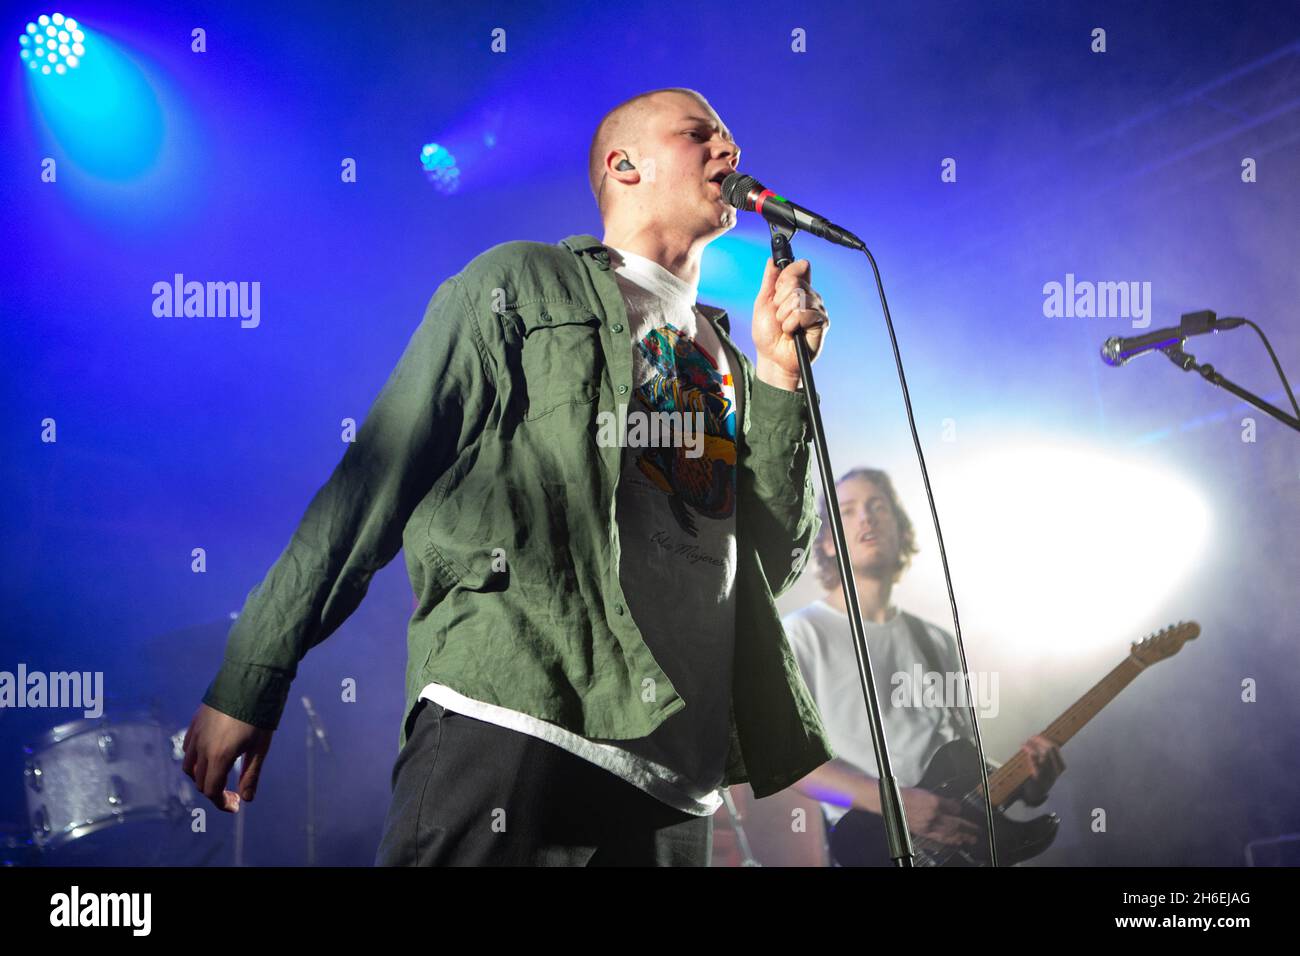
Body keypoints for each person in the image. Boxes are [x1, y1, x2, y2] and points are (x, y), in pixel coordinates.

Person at [182, 87, 836, 866]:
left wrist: (779, 375)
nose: (730, 154)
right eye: (702, 136)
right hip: (517, 708)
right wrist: (255, 672)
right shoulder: (521, 285)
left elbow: (767, 568)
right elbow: (372, 482)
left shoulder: (727, 358)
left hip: (672, 769)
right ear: (624, 165)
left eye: (732, 140)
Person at [784, 468, 1065, 863]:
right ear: (827, 542)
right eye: (848, 511)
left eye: (877, 506)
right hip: (878, 846)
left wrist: (1030, 785)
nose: (866, 517)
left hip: (962, 846)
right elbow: (790, 764)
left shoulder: (937, 641)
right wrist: (896, 805)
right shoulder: (799, 634)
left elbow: (959, 758)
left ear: (901, 529)